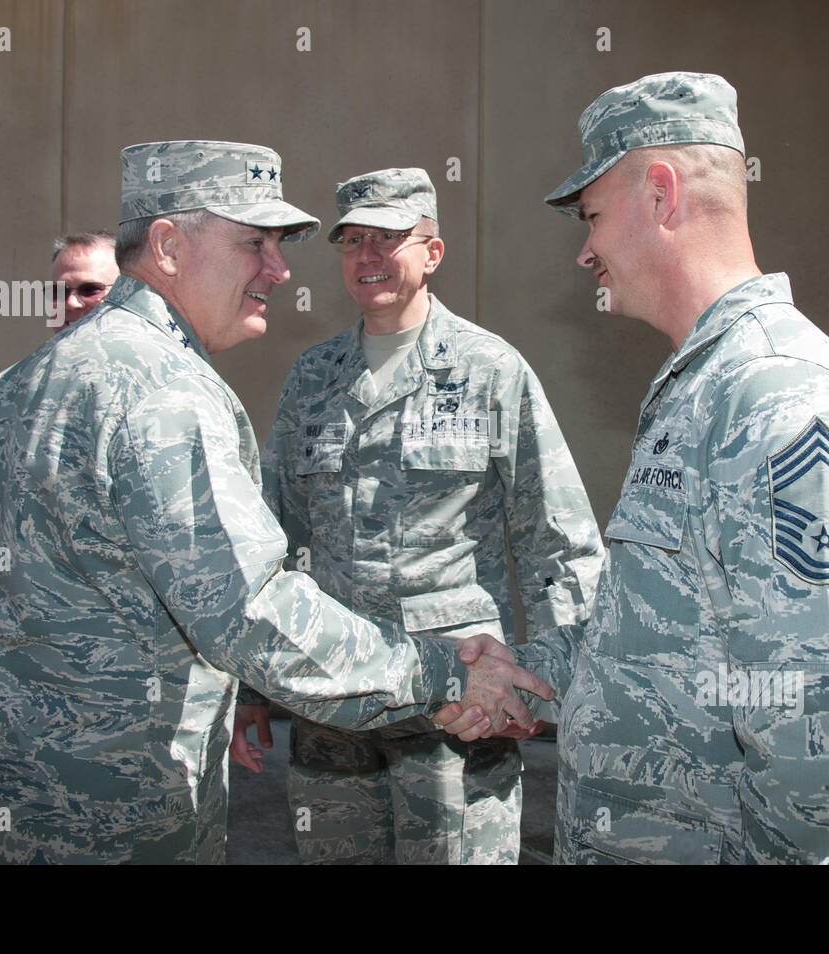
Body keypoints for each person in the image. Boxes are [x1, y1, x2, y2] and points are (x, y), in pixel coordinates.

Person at [0, 141, 550, 864]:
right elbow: (249, 609)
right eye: (254, 243)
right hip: (103, 822)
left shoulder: (29, 376)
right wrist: (442, 676)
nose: (279, 269)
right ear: (168, 246)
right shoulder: (163, 390)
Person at [436, 73, 829, 864]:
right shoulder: (705, 385)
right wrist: (536, 674)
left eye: (591, 215)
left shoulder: (782, 398)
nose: (584, 250)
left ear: (660, 194)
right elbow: (672, 630)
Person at [240, 168, 603, 864]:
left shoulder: (491, 370)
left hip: (462, 711)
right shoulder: (313, 376)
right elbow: (272, 537)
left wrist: (554, 690)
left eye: (388, 239)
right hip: (334, 709)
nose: (367, 257)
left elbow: (557, 543)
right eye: (351, 242)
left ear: (432, 253)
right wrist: (252, 691)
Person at [0, 232, 120, 578]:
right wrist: (24, 574)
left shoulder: (155, 399)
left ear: (125, 297)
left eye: (90, 289)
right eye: (59, 293)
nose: (71, 304)